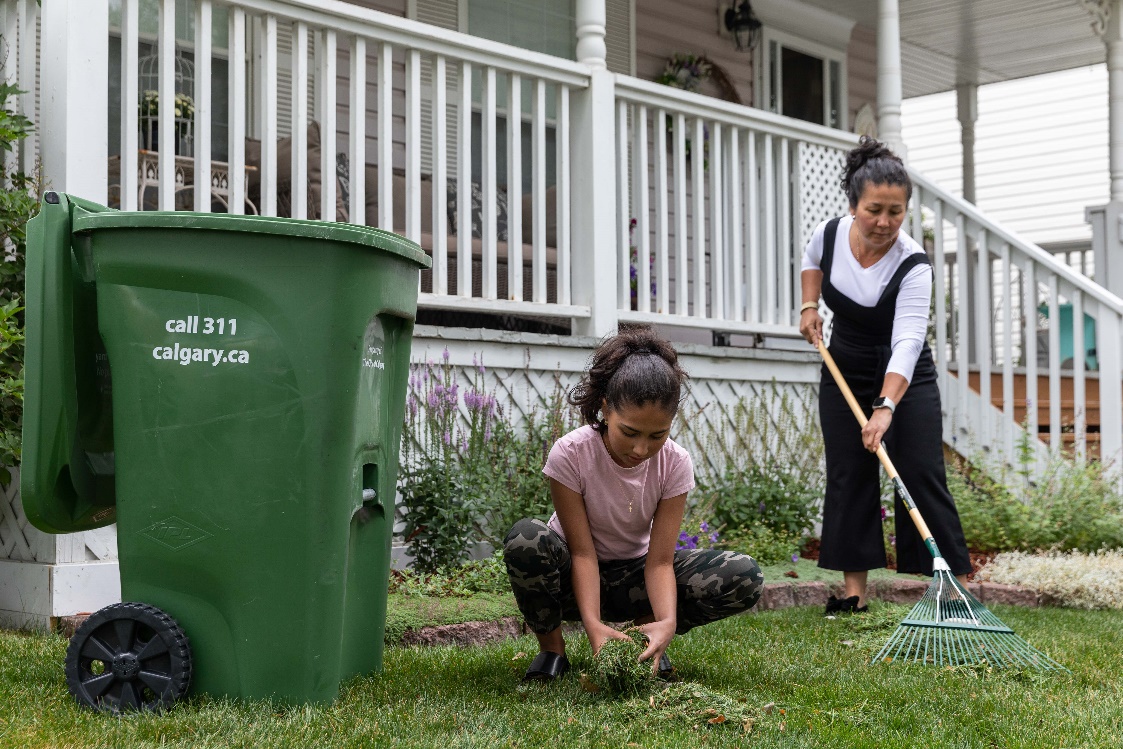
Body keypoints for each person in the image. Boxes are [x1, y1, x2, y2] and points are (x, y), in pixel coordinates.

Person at [503, 326, 764, 681]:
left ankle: (646, 639)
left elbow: (658, 563)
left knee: (742, 574)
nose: (641, 450)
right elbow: (582, 554)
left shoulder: (675, 462)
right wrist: (592, 625)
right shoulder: (570, 453)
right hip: (570, 579)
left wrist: (668, 622)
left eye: (657, 435)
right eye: (629, 432)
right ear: (606, 409)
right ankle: (552, 650)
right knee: (525, 538)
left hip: (637, 575)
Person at [798, 136, 972, 615]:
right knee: (850, 473)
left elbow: (908, 343)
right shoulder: (829, 234)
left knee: (919, 470)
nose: (884, 222)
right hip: (844, 365)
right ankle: (854, 594)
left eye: (896, 212)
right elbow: (811, 263)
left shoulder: (914, 264)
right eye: (874, 209)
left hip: (905, 376)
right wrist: (809, 306)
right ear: (853, 205)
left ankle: (952, 588)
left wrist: (886, 407)